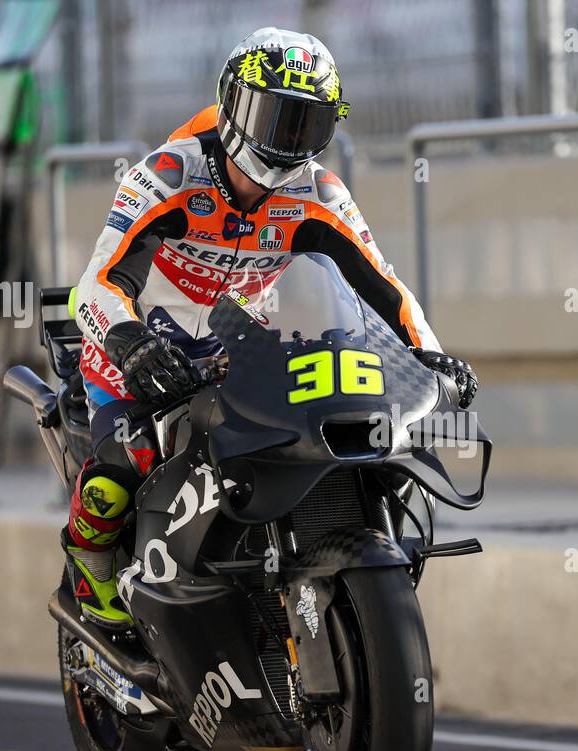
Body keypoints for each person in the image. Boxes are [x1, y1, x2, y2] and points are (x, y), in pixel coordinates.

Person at [64, 27, 477, 630]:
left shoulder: (318, 193)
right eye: (275, 117)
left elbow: (388, 290)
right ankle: (89, 557)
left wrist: (431, 358)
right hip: (137, 344)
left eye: (306, 125)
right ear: (232, 102)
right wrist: (130, 344)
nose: (288, 142)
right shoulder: (170, 174)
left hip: (236, 346)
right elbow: (97, 284)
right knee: (132, 453)